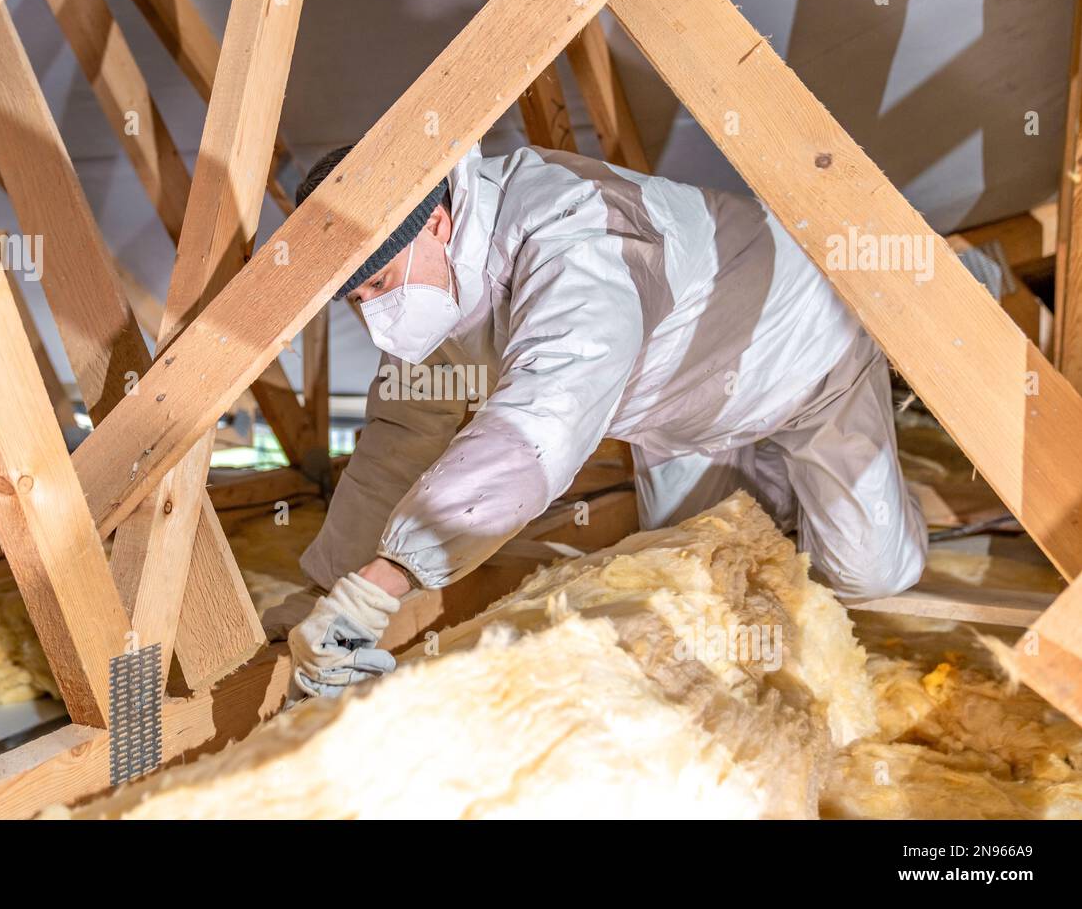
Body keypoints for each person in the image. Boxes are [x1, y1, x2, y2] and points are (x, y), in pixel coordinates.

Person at [287, 143, 927, 698]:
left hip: (804, 365)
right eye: (356, 299)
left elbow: (544, 420)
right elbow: (399, 439)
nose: (374, 313)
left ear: (435, 220)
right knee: (698, 582)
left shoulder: (567, 227)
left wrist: (380, 587)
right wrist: (331, 591)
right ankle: (779, 489)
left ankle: (874, 469)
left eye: (380, 284)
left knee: (867, 574)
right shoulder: (432, 293)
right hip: (676, 419)